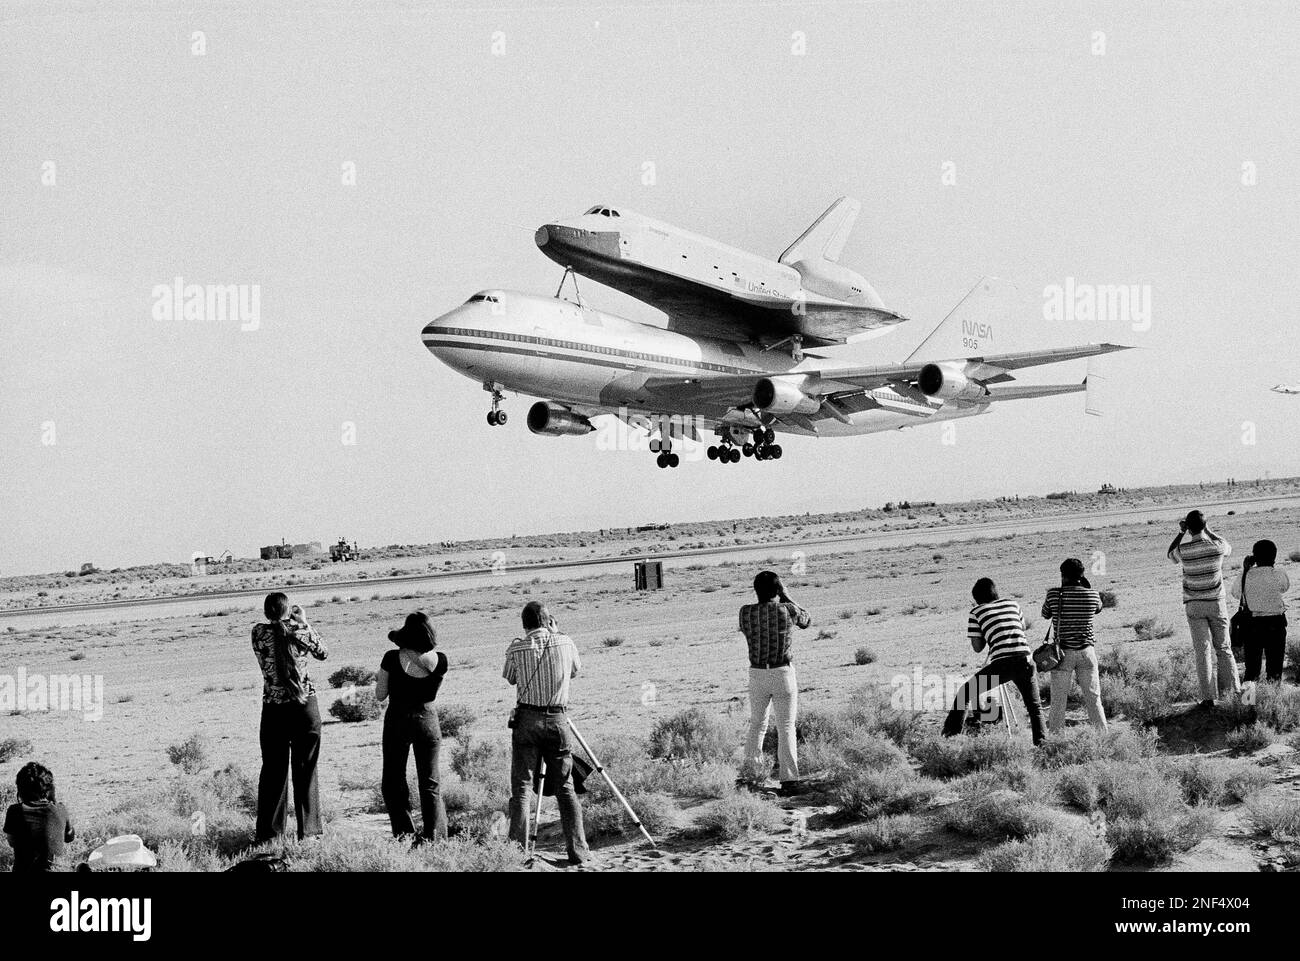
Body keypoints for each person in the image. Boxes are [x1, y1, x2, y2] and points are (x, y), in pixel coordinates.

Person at [502, 600, 590, 865]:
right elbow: (574, 671)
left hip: (527, 719)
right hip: (557, 718)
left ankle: (517, 853)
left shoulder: (517, 647)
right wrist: (556, 633)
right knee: (565, 786)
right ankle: (578, 852)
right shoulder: (565, 641)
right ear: (548, 620)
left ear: (524, 624)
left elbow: (510, 678)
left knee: (522, 788)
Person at [251, 591, 328, 843]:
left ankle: (269, 836)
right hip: (304, 705)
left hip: (274, 708)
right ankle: (310, 833)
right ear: (287, 611)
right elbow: (322, 652)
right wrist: (303, 623)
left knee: (273, 771)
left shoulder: (258, 633)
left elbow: (272, 634)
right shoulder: (299, 632)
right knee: (306, 769)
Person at [943, 578, 1046, 746]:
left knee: (965, 693)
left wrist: (987, 632)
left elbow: (977, 647)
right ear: (995, 592)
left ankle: (950, 738)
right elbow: (1022, 627)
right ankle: (1043, 746)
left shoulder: (976, 612)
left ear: (976, 599)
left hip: (1002, 664)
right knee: (1035, 707)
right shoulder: (1013, 604)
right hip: (1026, 660)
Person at [377, 612, 449, 844]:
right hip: (427, 719)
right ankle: (435, 838)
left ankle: (405, 834)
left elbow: (380, 695)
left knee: (393, 780)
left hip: (397, 719)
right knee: (430, 782)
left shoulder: (391, 658)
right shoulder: (441, 660)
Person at [738, 571, 812, 794]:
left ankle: (752, 775)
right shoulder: (787, 610)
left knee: (757, 724)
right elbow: (806, 620)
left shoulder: (745, 612)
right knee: (786, 726)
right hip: (782, 672)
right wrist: (787, 595)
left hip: (757, 673)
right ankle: (789, 779)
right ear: (777, 589)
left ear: (756, 589)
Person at [1168, 510, 1240, 706]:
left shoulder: (1185, 550)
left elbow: (1170, 554)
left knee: (1203, 651)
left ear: (1188, 527)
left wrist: (1181, 533)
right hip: (1216, 602)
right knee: (1224, 648)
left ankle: (1208, 698)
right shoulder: (1216, 547)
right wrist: (1208, 529)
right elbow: (1228, 546)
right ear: (1205, 525)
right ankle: (1232, 692)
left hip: (1194, 604)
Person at [1041, 558, 1107, 733]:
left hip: (1062, 654)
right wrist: (1086, 584)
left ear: (1062, 575)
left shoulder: (1054, 595)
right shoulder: (1093, 595)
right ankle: (1103, 736)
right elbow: (1098, 608)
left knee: (1058, 701)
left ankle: (1056, 739)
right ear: (1082, 575)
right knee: (1094, 698)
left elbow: (1045, 614)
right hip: (1087, 652)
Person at [1231, 540, 1291, 683]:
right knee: (1275, 669)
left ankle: (1248, 703)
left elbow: (1235, 593)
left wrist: (1246, 569)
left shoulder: (1245, 576)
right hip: (1276, 624)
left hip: (1252, 625)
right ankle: (1273, 700)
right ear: (1274, 557)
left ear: (1254, 557)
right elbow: (1284, 588)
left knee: (1251, 670)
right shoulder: (1279, 574)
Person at [3, 762, 75, 873]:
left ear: (20, 789)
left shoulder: (15, 811)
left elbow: (12, 842)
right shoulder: (60, 809)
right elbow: (69, 837)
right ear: (49, 789)